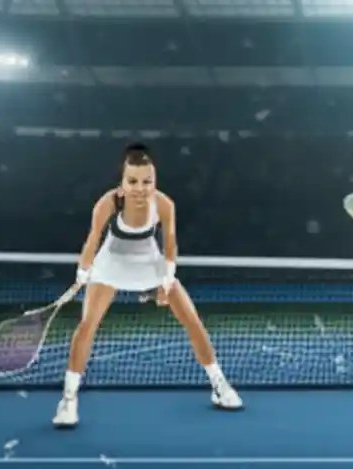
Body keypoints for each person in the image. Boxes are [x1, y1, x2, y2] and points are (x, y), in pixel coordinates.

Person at [52, 143, 242, 428]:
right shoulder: (108, 203)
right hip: (111, 264)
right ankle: (68, 400)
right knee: (87, 325)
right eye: (133, 181)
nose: (140, 188)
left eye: (147, 181)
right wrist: (82, 272)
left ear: (155, 181)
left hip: (150, 263)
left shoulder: (164, 205)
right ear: (122, 182)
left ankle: (219, 384)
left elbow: (171, 243)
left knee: (192, 320)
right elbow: (92, 239)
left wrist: (166, 280)